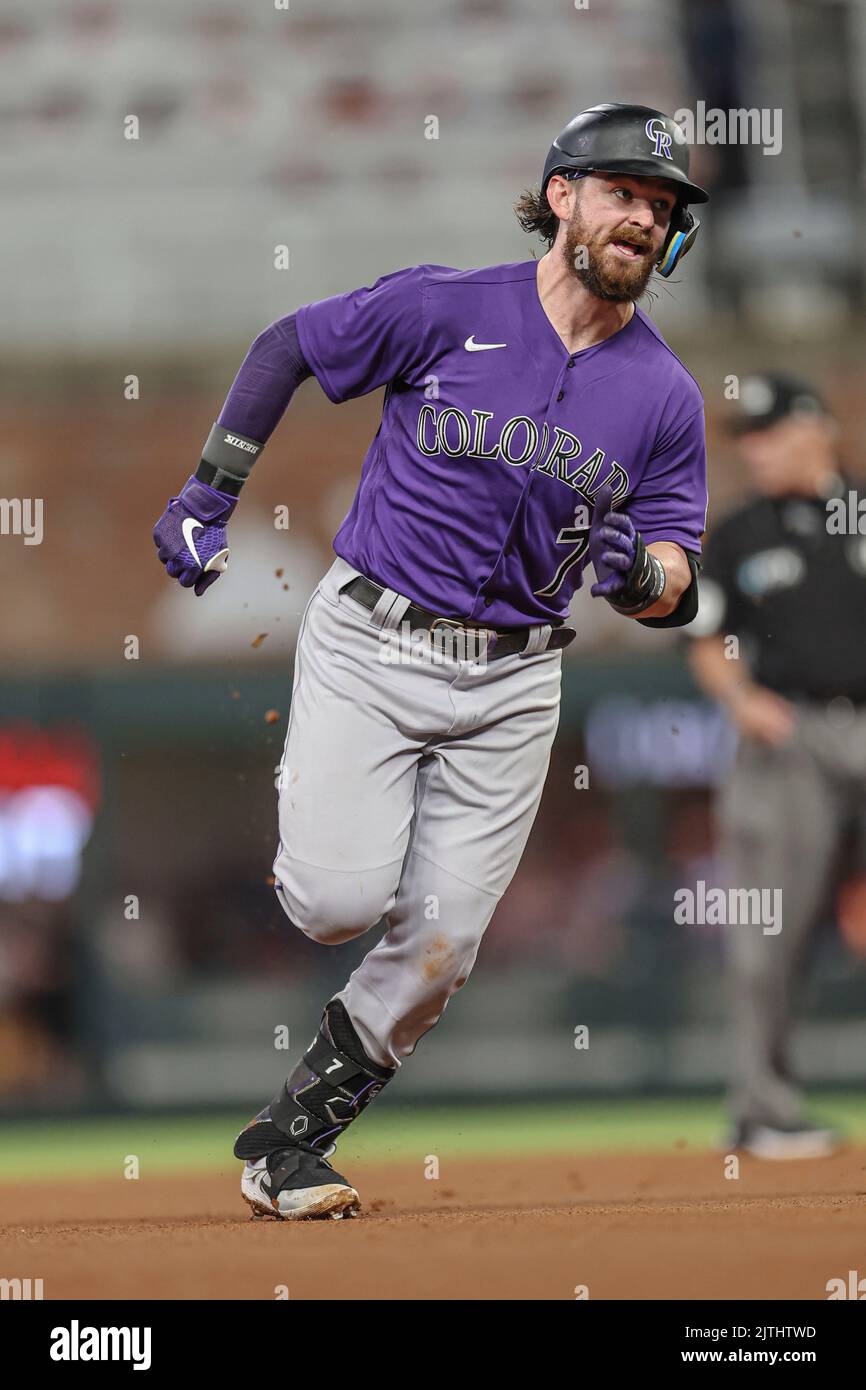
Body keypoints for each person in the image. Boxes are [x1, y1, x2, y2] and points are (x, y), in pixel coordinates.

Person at [153, 103, 709, 1220]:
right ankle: (324, 810)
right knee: (330, 904)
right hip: (372, 637)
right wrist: (209, 490)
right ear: (561, 197)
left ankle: (292, 1139)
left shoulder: (663, 393)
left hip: (515, 679)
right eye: (621, 195)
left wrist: (639, 580)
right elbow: (289, 347)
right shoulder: (444, 306)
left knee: (444, 943)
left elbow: (673, 567)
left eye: (658, 208)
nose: (641, 221)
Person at [688, 371, 860, 1158]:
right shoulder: (739, 532)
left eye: (767, 433)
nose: (753, 451)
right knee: (767, 927)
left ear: (815, 428)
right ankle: (763, 1108)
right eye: (745, 438)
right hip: (790, 733)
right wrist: (741, 698)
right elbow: (709, 639)